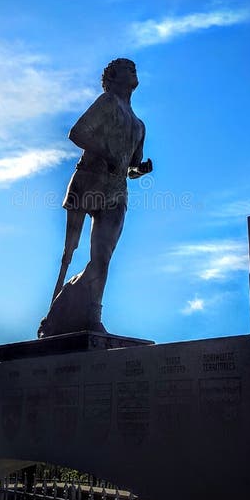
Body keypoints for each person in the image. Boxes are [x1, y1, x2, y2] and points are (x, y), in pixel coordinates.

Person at [38, 58, 152, 337]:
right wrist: (108, 153)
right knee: (69, 252)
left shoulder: (139, 125)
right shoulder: (107, 102)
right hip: (88, 182)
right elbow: (77, 133)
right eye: (127, 67)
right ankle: (53, 318)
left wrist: (141, 170)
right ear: (112, 77)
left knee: (103, 256)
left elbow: (131, 166)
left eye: (134, 67)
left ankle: (90, 314)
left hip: (116, 192)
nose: (133, 69)